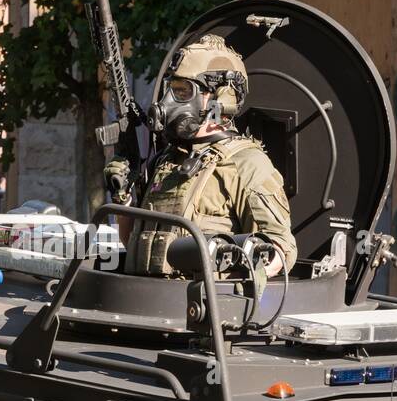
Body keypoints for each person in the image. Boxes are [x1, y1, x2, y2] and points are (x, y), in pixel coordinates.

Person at [120, 34, 296, 278]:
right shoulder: (166, 160)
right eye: (170, 90)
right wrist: (123, 196)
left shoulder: (247, 164)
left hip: (208, 309)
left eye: (183, 92)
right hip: (145, 303)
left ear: (220, 99)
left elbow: (280, 249)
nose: (169, 102)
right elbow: (131, 240)